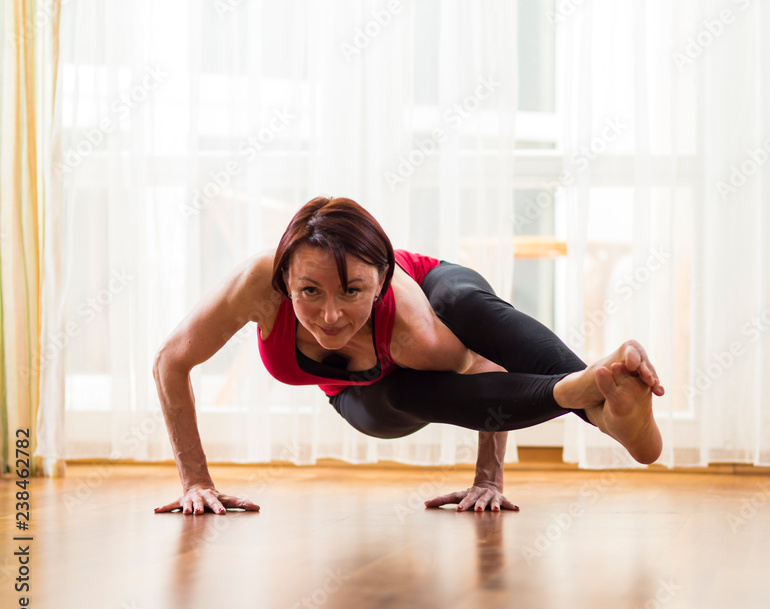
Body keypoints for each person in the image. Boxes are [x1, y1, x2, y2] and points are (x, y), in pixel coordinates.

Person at [153, 197, 664, 515]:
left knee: (463, 305)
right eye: (310, 292)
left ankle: (597, 394)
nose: (330, 317)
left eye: (352, 291)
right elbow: (170, 363)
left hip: (440, 291)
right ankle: (590, 391)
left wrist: (489, 476)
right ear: (284, 280)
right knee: (389, 400)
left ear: (381, 282)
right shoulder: (256, 287)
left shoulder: (413, 332)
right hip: (373, 393)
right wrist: (195, 481)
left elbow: (485, 366)